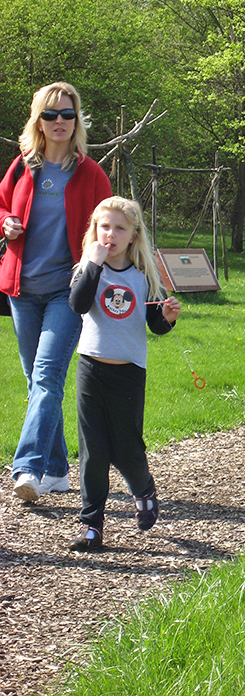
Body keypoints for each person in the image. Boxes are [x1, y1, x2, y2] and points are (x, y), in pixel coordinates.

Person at [0, 82, 112, 503]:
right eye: (51, 115)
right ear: (39, 121)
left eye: (68, 114)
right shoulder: (21, 167)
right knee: (37, 382)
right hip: (20, 290)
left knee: (47, 377)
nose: (60, 122)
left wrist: (96, 261)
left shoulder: (90, 173)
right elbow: (2, 207)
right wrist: (6, 222)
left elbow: (110, 225)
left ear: (77, 120)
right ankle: (58, 469)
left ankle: (27, 466)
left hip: (67, 294)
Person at [67, 196, 180, 551]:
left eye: (119, 228)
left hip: (129, 372)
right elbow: (78, 304)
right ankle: (91, 526)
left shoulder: (143, 276)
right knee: (94, 451)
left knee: (127, 449)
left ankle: (143, 487)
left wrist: (168, 318)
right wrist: (94, 266)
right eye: (104, 227)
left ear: (133, 235)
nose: (110, 235)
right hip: (91, 368)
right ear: (94, 230)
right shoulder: (88, 269)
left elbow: (155, 325)